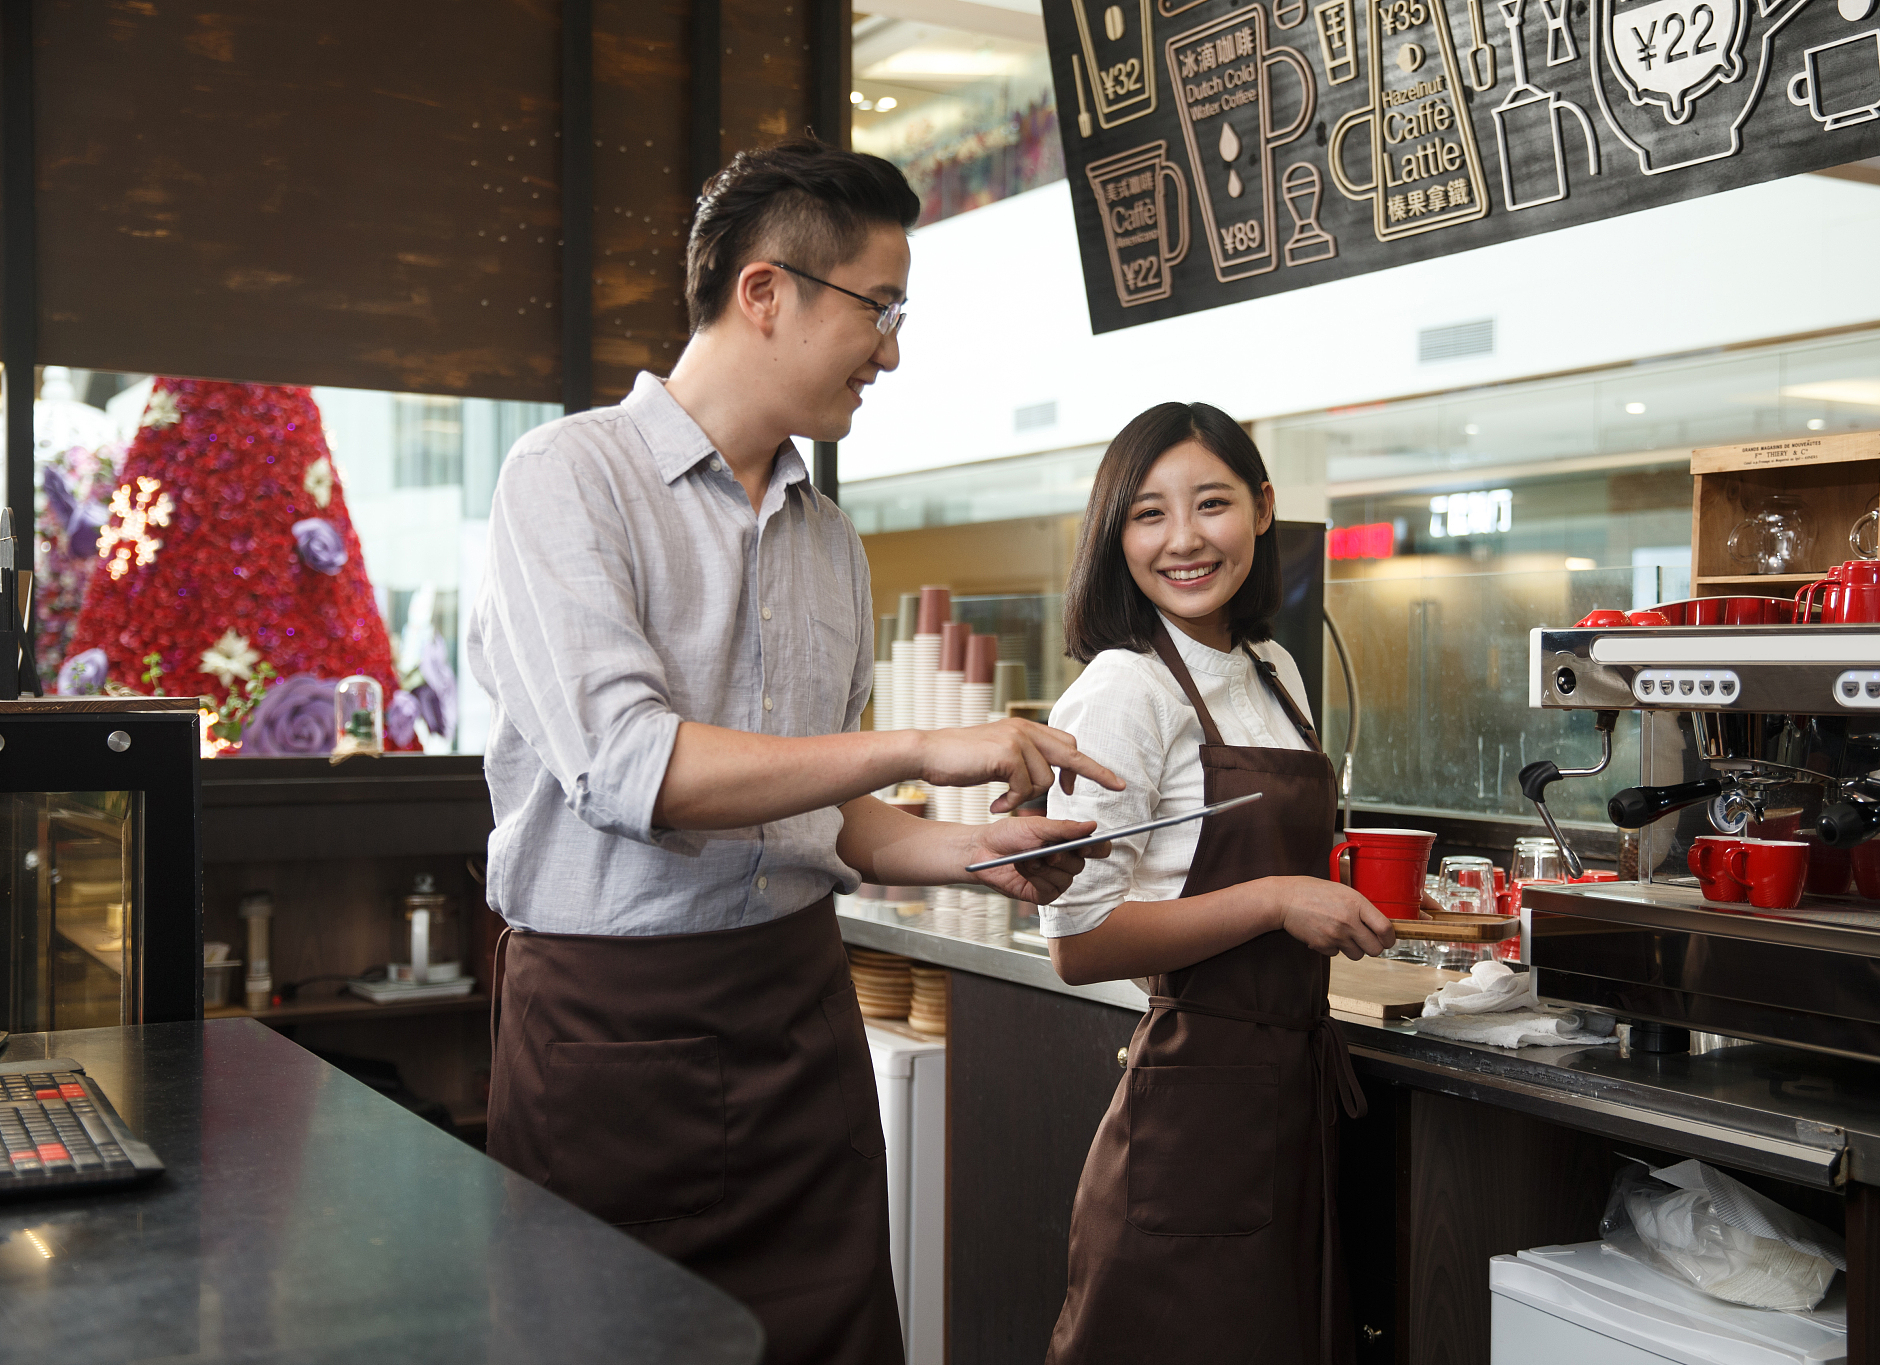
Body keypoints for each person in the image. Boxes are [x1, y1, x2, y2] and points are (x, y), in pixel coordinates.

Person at [470, 138, 1121, 1365]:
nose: (892, 350)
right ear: (765, 293)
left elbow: (830, 816)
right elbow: (635, 773)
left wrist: (967, 851)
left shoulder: (831, 540)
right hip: (616, 1036)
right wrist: (926, 741)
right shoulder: (567, 479)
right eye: (878, 308)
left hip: (796, 1019)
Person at [1041, 402, 1399, 1364]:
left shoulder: (1274, 668)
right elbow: (1080, 942)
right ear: (1116, 536)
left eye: (1212, 503)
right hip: (1191, 1120)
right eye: (1149, 514)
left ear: (1264, 508)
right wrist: (1279, 900)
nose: (1185, 539)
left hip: (1289, 1099)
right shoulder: (1126, 689)